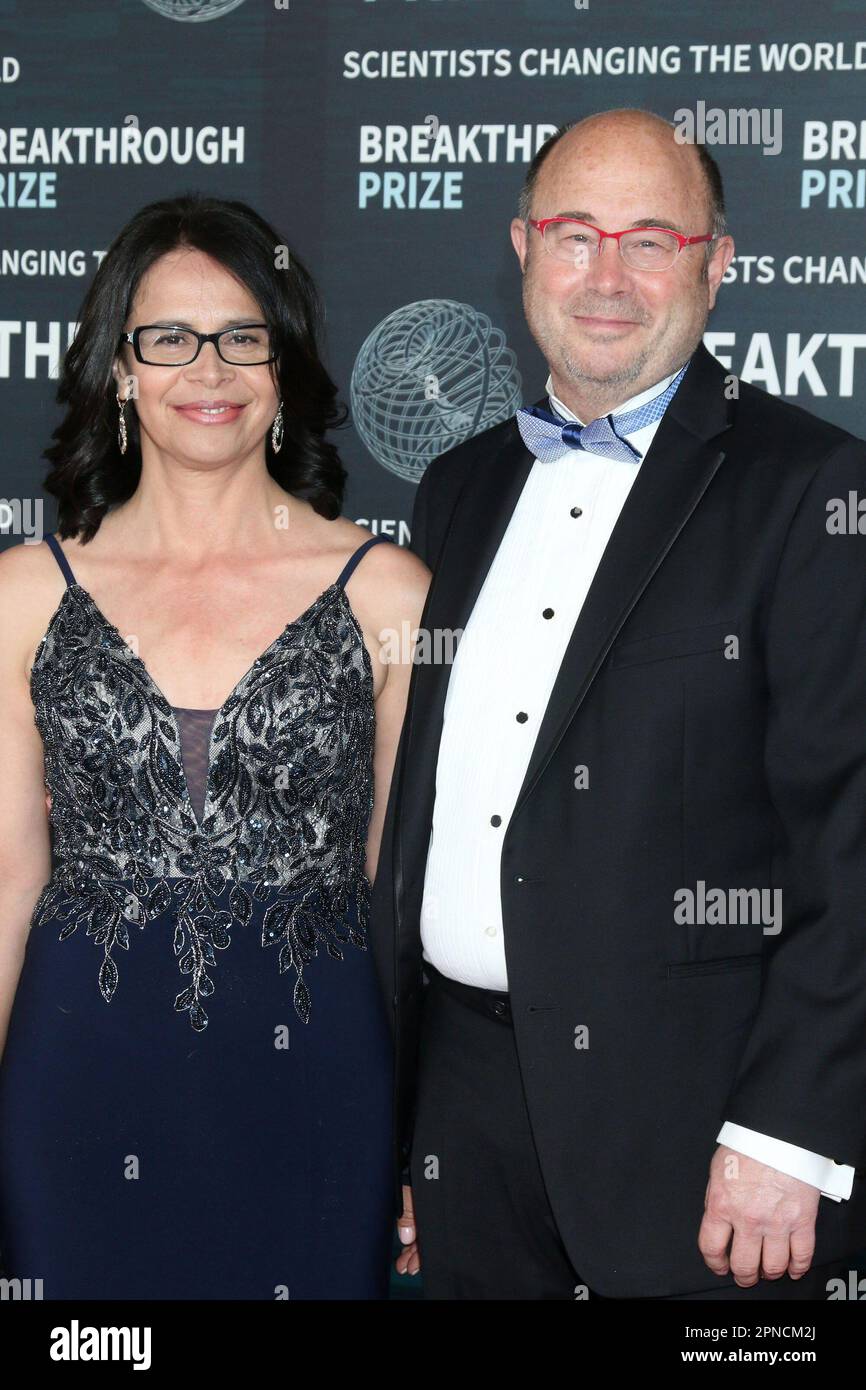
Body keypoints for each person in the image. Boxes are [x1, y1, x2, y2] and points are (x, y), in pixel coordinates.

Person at [372, 109, 866, 1299]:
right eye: (573, 234)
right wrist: (393, 1119)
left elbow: (848, 837)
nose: (604, 276)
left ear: (718, 263)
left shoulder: (809, 487)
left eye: (650, 240)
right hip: (463, 1113)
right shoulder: (459, 484)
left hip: (701, 1138)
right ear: (519, 246)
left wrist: (783, 1135)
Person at [0, 193, 429, 1300]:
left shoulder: (388, 591)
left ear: (282, 371)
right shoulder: (21, 597)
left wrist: (429, 1138)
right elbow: (7, 885)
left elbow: (404, 906)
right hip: (77, 1081)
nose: (210, 367)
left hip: (321, 1090)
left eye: (244, 336)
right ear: (119, 368)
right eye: (169, 338)